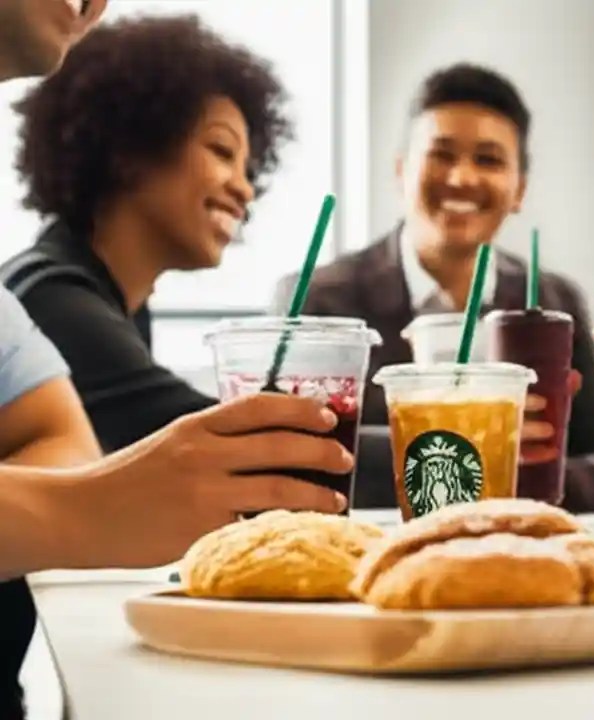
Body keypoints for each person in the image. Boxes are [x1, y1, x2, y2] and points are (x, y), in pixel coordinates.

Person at [0, 4, 348, 714]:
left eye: (251, 165)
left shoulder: (94, 303)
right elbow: (224, 455)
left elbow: (74, 447)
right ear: (130, 143)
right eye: (222, 151)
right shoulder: (55, 298)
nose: (245, 187)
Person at [277, 63, 594, 514]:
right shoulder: (320, 300)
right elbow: (295, 452)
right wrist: (478, 440)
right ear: (402, 171)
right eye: (441, 154)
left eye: (488, 159)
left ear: (519, 189)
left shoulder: (553, 304)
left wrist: (527, 480)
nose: (462, 178)